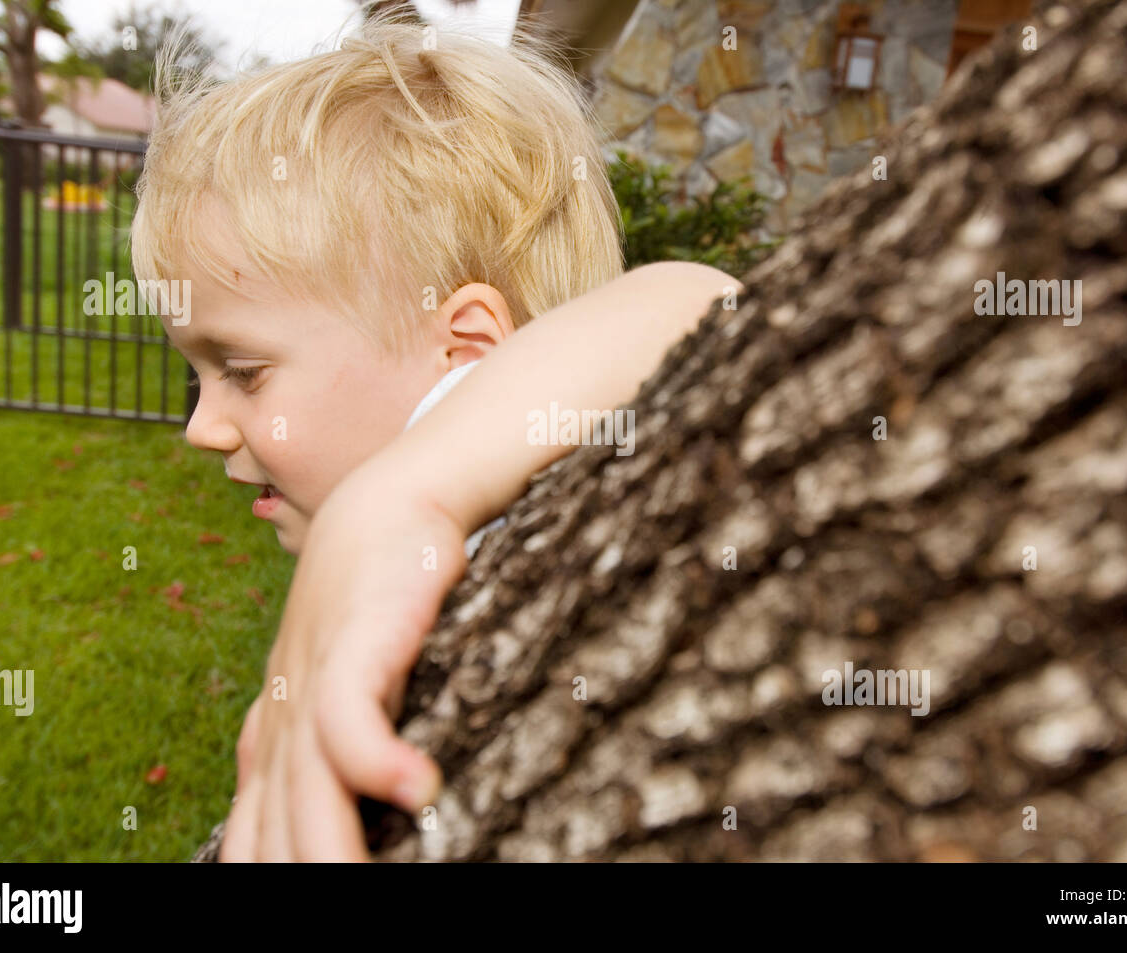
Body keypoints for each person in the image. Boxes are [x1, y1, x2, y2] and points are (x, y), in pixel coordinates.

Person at [130, 9, 744, 861]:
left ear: (467, 353)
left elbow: (705, 307)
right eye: (199, 377)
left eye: (243, 370)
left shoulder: (543, 485)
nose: (201, 426)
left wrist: (399, 494)